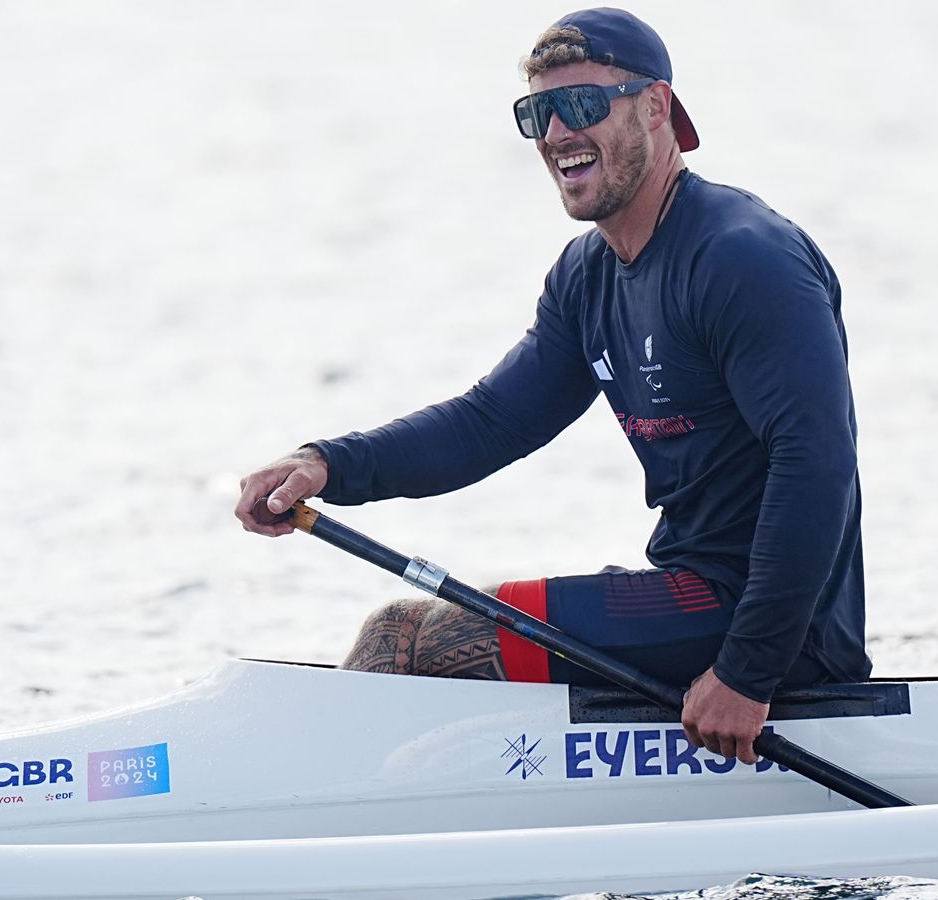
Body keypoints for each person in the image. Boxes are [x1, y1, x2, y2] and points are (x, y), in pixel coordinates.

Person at [236, 7, 870, 765]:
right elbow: (490, 422)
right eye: (538, 112)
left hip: (768, 626)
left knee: (400, 639)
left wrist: (746, 671)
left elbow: (817, 463)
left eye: (582, 104)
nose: (558, 133)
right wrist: (329, 464)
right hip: (689, 595)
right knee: (412, 642)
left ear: (656, 108)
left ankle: (313, 825)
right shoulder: (586, 276)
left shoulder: (744, 257)